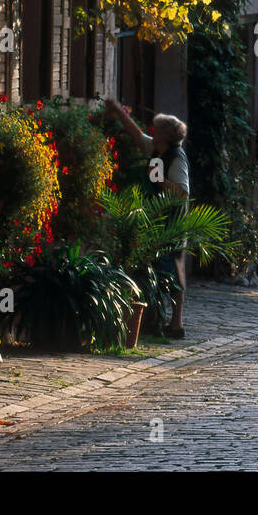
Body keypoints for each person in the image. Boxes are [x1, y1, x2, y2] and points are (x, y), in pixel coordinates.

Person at [104, 98, 190, 338]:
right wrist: (117, 110)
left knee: (174, 272)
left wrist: (159, 179)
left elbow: (183, 192)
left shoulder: (176, 157)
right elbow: (136, 134)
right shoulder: (157, 149)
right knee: (158, 269)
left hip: (172, 224)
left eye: (157, 128)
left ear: (165, 134)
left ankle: (176, 324)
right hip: (156, 220)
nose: (153, 131)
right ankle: (156, 319)